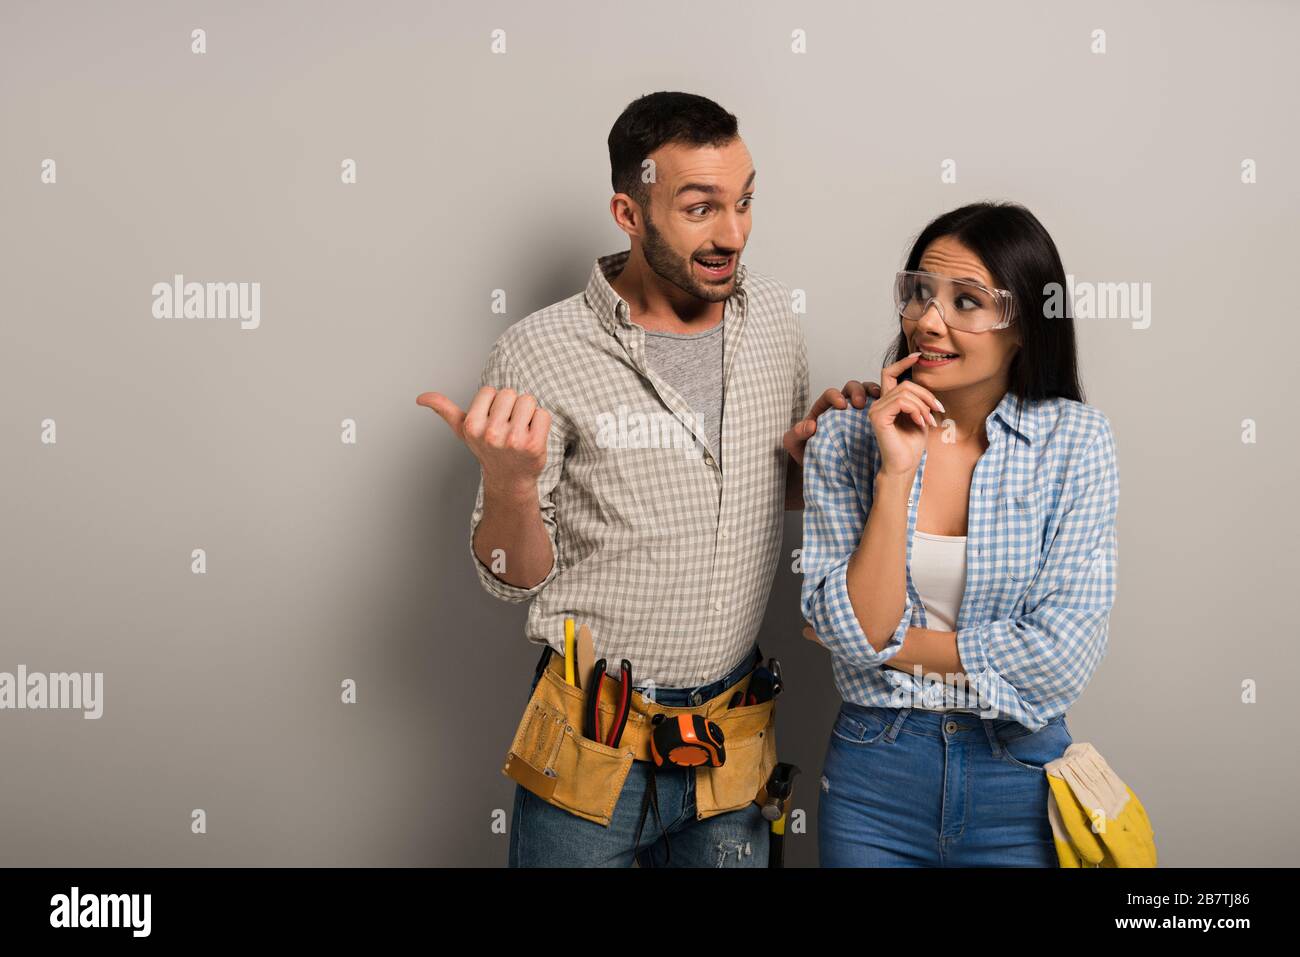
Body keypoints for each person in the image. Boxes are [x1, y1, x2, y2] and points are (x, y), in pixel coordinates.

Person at [419, 91, 873, 867]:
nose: (733, 233)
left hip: (730, 748)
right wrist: (511, 486)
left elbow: (742, 498)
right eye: (701, 208)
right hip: (589, 744)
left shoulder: (772, 324)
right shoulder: (538, 352)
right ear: (629, 213)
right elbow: (509, 579)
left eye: (746, 201)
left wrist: (819, 461)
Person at [800, 202, 1120, 867]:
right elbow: (851, 629)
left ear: (1025, 326)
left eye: (965, 301)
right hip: (872, 778)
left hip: (1022, 775)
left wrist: (884, 645)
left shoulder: (1077, 443)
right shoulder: (846, 434)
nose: (927, 319)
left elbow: (1062, 655)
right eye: (920, 292)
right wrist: (896, 472)